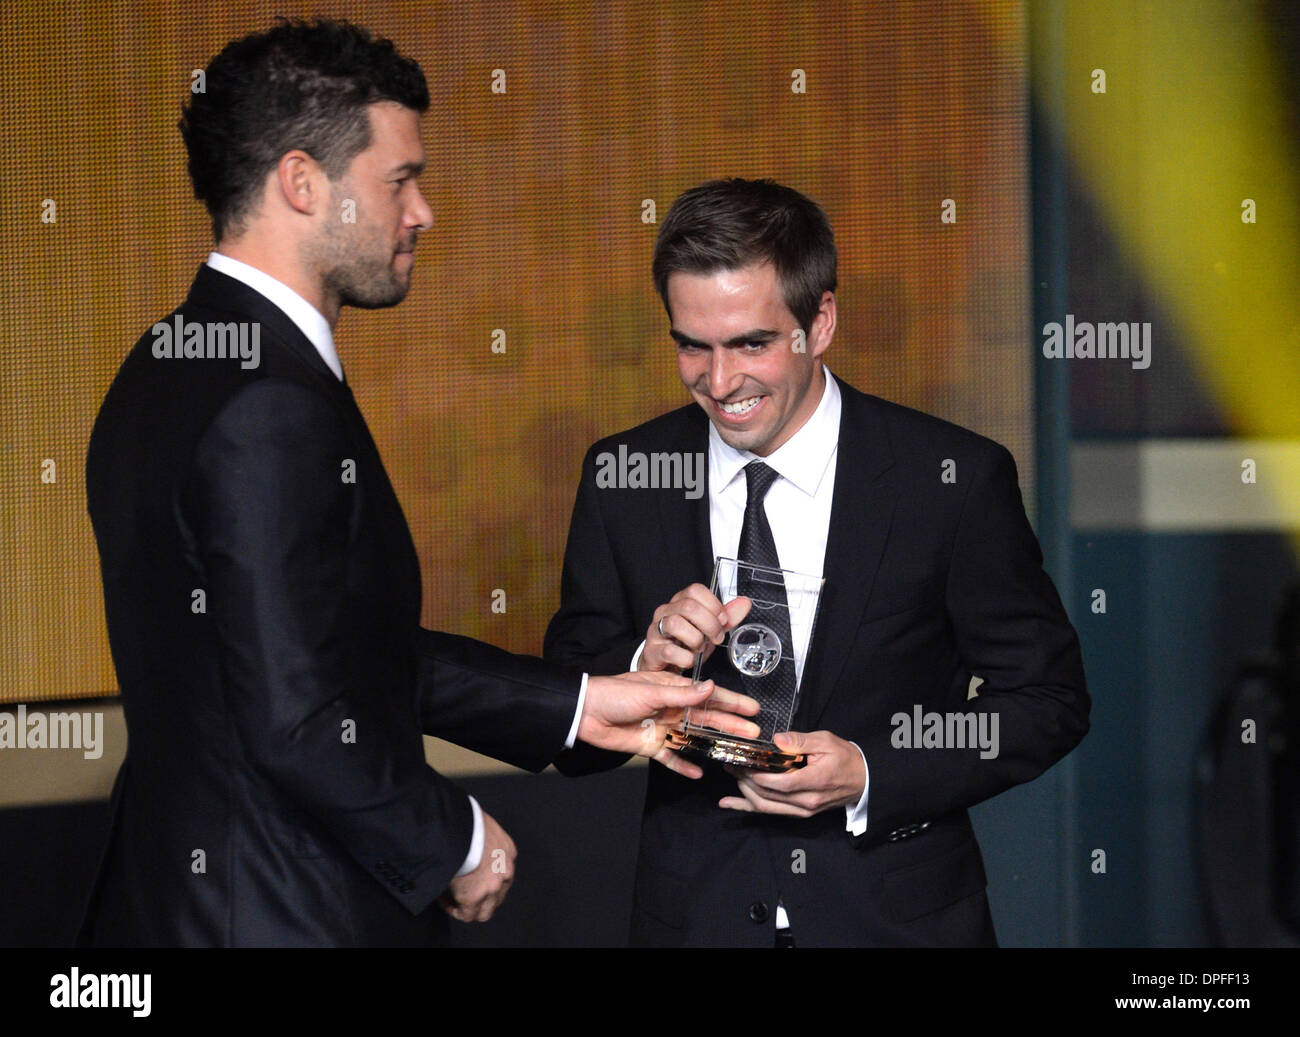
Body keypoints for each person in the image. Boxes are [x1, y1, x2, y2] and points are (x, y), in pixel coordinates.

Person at [78, 20, 756, 948]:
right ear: (302, 182)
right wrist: (455, 840)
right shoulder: (268, 404)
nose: (422, 212)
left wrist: (580, 703)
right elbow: (299, 715)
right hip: (283, 916)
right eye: (400, 180)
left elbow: (328, 649)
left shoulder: (164, 362)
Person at [545, 178, 1090, 947]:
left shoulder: (952, 480)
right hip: (694, 920)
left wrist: (872, 770)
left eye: (751, 343)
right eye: (691, 345)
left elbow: (1048, 700)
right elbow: (567, 719)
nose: (721, 380)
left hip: (898, 922)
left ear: (820, 320)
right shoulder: (623, 475)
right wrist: (645, 660)